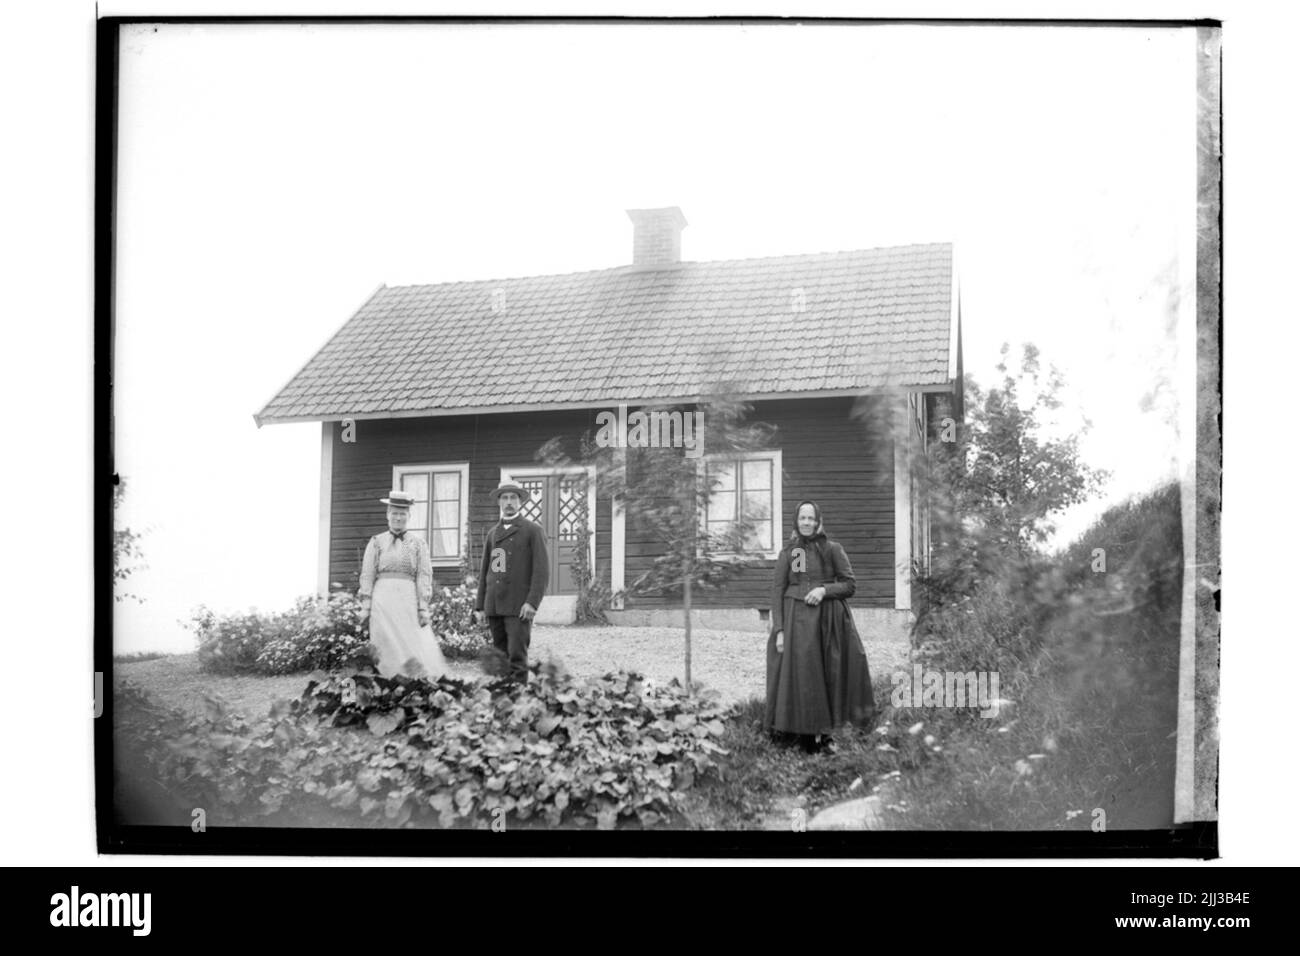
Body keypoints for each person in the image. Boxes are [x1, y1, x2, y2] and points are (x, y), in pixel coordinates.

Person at [766, 500, 875, 749]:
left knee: (831, 674)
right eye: (802, 518)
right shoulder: (795, 552)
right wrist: (780, 629)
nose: (806, 523)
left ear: (818, 521)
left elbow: (849, 585)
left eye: (811, 518)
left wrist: (824, 590)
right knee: (803, 675)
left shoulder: (832, 549)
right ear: (796, 521)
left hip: (829, 623)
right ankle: (802, 733)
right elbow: (783, 589)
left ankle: (830, 733)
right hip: (799, 623)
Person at [357, 490, 448, 680]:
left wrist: (423, 607)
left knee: (411, 639)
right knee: (384, 641)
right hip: (383, 599)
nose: (398, 518)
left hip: (407, 598)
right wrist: (366, 606)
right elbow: (367, 574)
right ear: (387, 515)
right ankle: (386, 682)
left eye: (402, 514)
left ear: (409, 516)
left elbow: (424, 575)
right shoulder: (376, 542)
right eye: (394, 513)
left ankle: (414, 681)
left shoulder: (418, 543)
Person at [474, 481, 549, 683]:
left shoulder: (532, 531)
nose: (509, 502)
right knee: (500, 657)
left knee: (517, 656)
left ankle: (519, 703)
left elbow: (541, 571)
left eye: (513, 498)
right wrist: (480, 605)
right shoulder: (494, 534)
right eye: (505, 498)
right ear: (499, 502)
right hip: (496, 606)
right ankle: (503, 698)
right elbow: (490, 571)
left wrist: (532, 602)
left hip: (519, 606)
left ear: (520, 502)